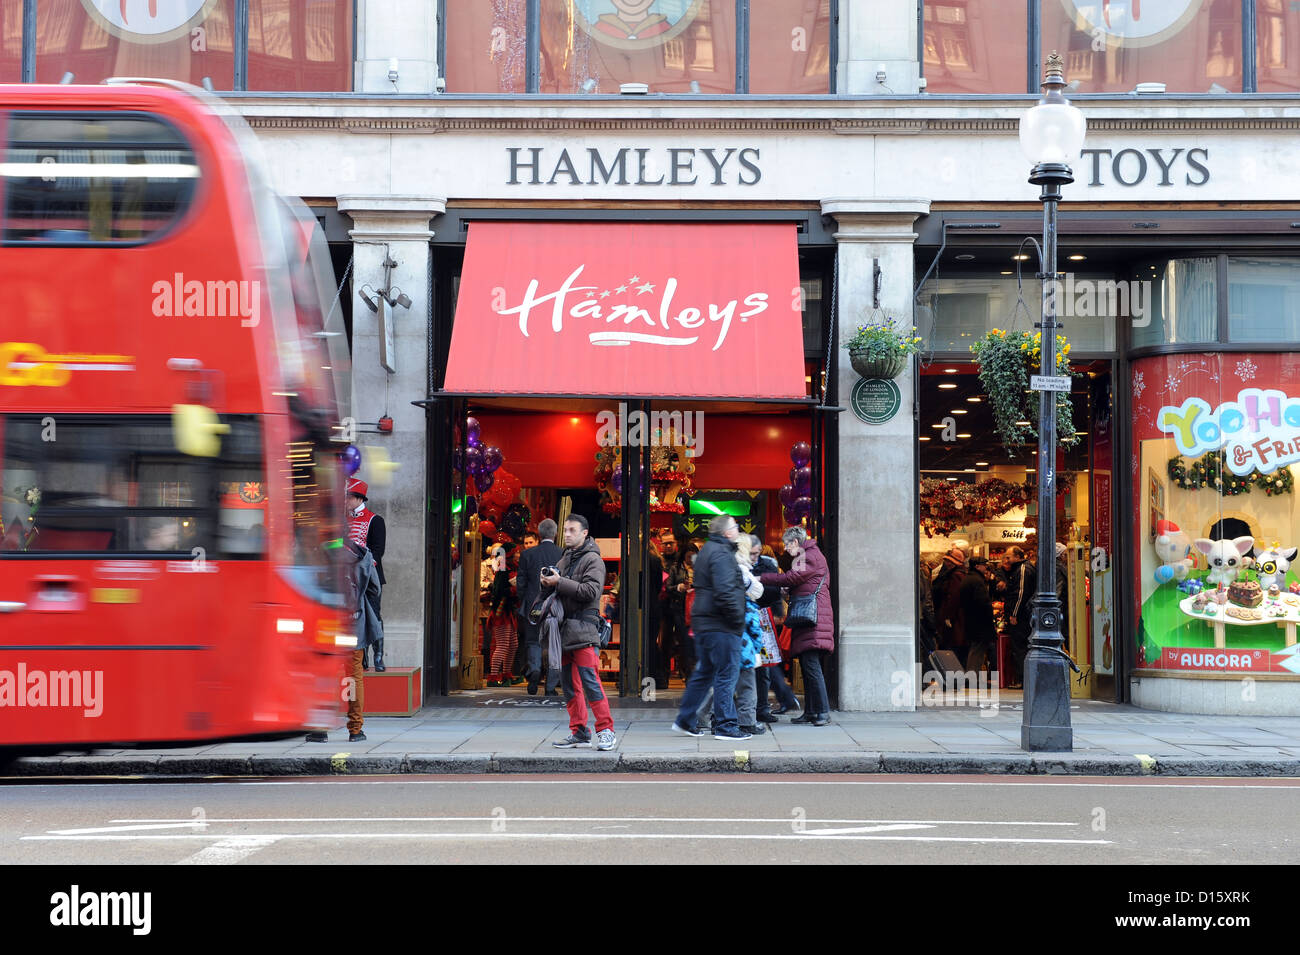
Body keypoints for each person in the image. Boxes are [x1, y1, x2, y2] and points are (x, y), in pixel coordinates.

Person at [671, 515, 751, 741]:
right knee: (726, 673)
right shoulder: (722, 554)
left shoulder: (708, 550)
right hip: (721, 623)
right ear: (727, 532)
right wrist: (737, 618)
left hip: (705, 622)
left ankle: (685, 719)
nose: (737, 530)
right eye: (735, 526)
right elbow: (726, 591)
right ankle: (726, 726)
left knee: (704, 672)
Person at [542, 514, 617, 751]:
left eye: (572, 530)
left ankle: (606, 731)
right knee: (569, 685)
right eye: (565, 530)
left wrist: (559, 582)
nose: (567, 534)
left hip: (584, 630)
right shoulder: (565, 557)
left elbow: (591, 592)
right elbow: (561, 586)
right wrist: (546, 582)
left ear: (585, 533)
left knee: (590, 682)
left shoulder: (593, 559)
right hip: (565, 631)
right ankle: (580, 732)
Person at [307, 538, 382, 744]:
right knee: (354, 677)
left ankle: (320, 729)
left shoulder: (320, 552)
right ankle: (355, 730)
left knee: (325, 675)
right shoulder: (363, 556)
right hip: (354, 626)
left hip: (327, 625)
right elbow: (375, 590)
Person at [760, 525, 834, 726]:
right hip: (809, 619)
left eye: (787, 544)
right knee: (807, 665)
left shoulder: (808, 556)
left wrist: (762, 577)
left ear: (795, 542)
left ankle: (823, 712)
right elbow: (799, 582)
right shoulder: (809, 555)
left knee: (811, 666)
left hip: (813, 621)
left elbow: (792, 577)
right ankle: (811, 712)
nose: (785, 548)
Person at [517, 519, 563, 695]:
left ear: (539, 534)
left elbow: (521, 583)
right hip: (555, 605)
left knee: (533, 641)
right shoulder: (562, 554)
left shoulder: (527, 555)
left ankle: (534, 670)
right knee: (554, 644)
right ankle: (550, 686)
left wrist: (525, 600)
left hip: (533, 605)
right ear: (555, 534)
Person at [346, 478, 386, 671]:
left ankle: (378, 655)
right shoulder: (343, 520)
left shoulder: (374, 520)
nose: (345, 501)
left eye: (348, 498)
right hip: (348, 578)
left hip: (369, 577)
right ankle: (362, 657)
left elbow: (378, 550)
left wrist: (364, 567)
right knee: (354, 617)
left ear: (358, 498)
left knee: (374, 614)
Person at [486, 544, 523, 686]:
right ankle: (493, 676)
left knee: (513, 644)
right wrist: (513, 589)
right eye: (516, 552)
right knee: (502, 644)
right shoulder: (503, 570)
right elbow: (498, 591)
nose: (518, 554)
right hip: (501, 612)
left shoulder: (511, 568)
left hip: (508, 610)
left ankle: (507, 674)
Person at [1001, 545, 1037, 688]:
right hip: (1024, 615)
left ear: (1017, 557)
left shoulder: (1023, 570)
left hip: (1021, 616)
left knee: (1020, 647)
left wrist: (1014, 614)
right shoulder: (1021, 569)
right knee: (1022, 647)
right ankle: (1023, 679)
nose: (1006, 560)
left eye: (1008, 557)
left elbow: (1020, 594)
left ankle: (1022, 679)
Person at [662, 537, 695, 679]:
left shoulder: (700, 568)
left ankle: (691, 673)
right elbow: (668, 587)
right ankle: (687, 673)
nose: (691, 560)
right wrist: (680, 587)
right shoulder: (676, 568)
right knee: (684, 642)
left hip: (696, 610)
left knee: (694, 643)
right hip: (679, 609)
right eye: (688, 557)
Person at [960, 556, 997, 676]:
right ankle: (972, 677)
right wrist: (990, 619)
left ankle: (972, 676)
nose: (986, 567)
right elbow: (983, 603)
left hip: (971, 620)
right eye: (984, 565)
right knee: (977, 650)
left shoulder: (969, 579)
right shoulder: (977, 581)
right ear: (977, 566)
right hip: (980, 622)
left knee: (975, 649)